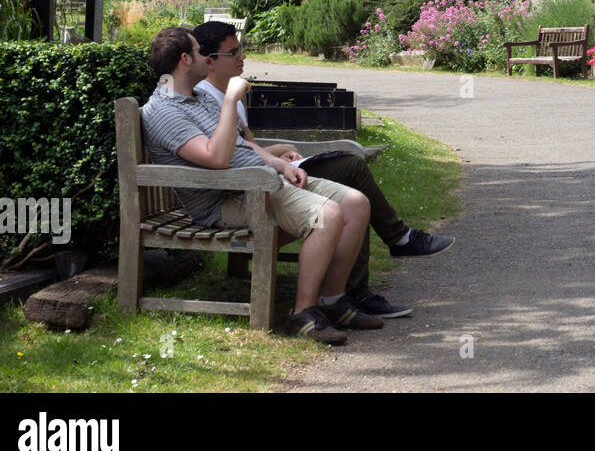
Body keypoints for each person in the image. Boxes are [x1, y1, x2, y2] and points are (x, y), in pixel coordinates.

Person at [191, 21, 453, 321]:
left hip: (267, 171)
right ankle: (384, 257)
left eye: (241, 49)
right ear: (210, 60)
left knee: (352, 185)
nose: (242, 56)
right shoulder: (208, 98)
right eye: (233, 51)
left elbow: (246, 145)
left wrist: (277, 152)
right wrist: (276, 163)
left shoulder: (230, 92)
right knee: (351, 167)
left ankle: (365, 276)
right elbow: (227, 154)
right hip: (250, 185)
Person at [141, 27, 380, 344]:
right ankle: (303, 314)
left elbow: (240, 145)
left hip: (260, 183)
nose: (207, 58)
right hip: (229, 198)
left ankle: (334, 300)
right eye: (201, 52)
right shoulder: (163, 110)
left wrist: (281, 164)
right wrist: (230, 101)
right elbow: (216, 158)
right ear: (185, 59)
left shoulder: (196, 97)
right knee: (330, 215)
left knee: (356, 204)